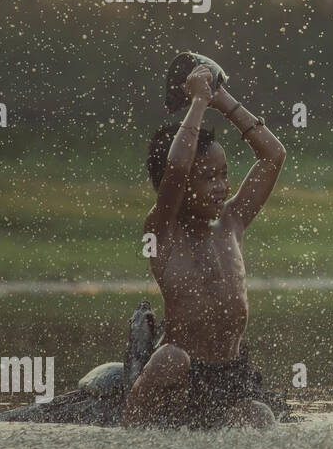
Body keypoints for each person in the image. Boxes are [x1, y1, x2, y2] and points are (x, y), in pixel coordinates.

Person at [122, 62, 287, 429]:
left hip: (229, 372)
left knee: (259, 419)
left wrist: (221, 99)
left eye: (224, 175)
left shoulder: (232, 221)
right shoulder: (163, 231)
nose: (221, 186)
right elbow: (176, 169)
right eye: (208, 177)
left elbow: (273, 156)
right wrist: (197, 102)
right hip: (181, 373)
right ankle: (129, 429)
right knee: (170, 360)